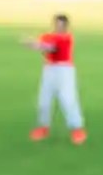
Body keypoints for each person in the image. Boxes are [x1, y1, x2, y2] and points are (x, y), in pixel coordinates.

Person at [21, 13, 87, 144]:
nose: (59, 27)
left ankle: (77, 129)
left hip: (65, 70)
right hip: (49, 69)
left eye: (62, 25)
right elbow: (42, 47)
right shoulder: (47, 36)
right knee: (43, 100)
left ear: (66, 26)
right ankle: (43, 127)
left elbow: (50, 47)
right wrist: (32, 44)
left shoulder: (67, 38)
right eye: (57, 24)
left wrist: (33, 43)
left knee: (68, 100)